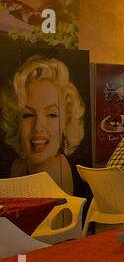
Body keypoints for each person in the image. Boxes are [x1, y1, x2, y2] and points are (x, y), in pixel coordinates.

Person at [1, 53, 87, 194]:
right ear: (16, 123)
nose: (38, 126)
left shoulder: (56, 173)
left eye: (51, 114)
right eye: (28, 115)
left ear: (67, 121)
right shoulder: (17, 168)